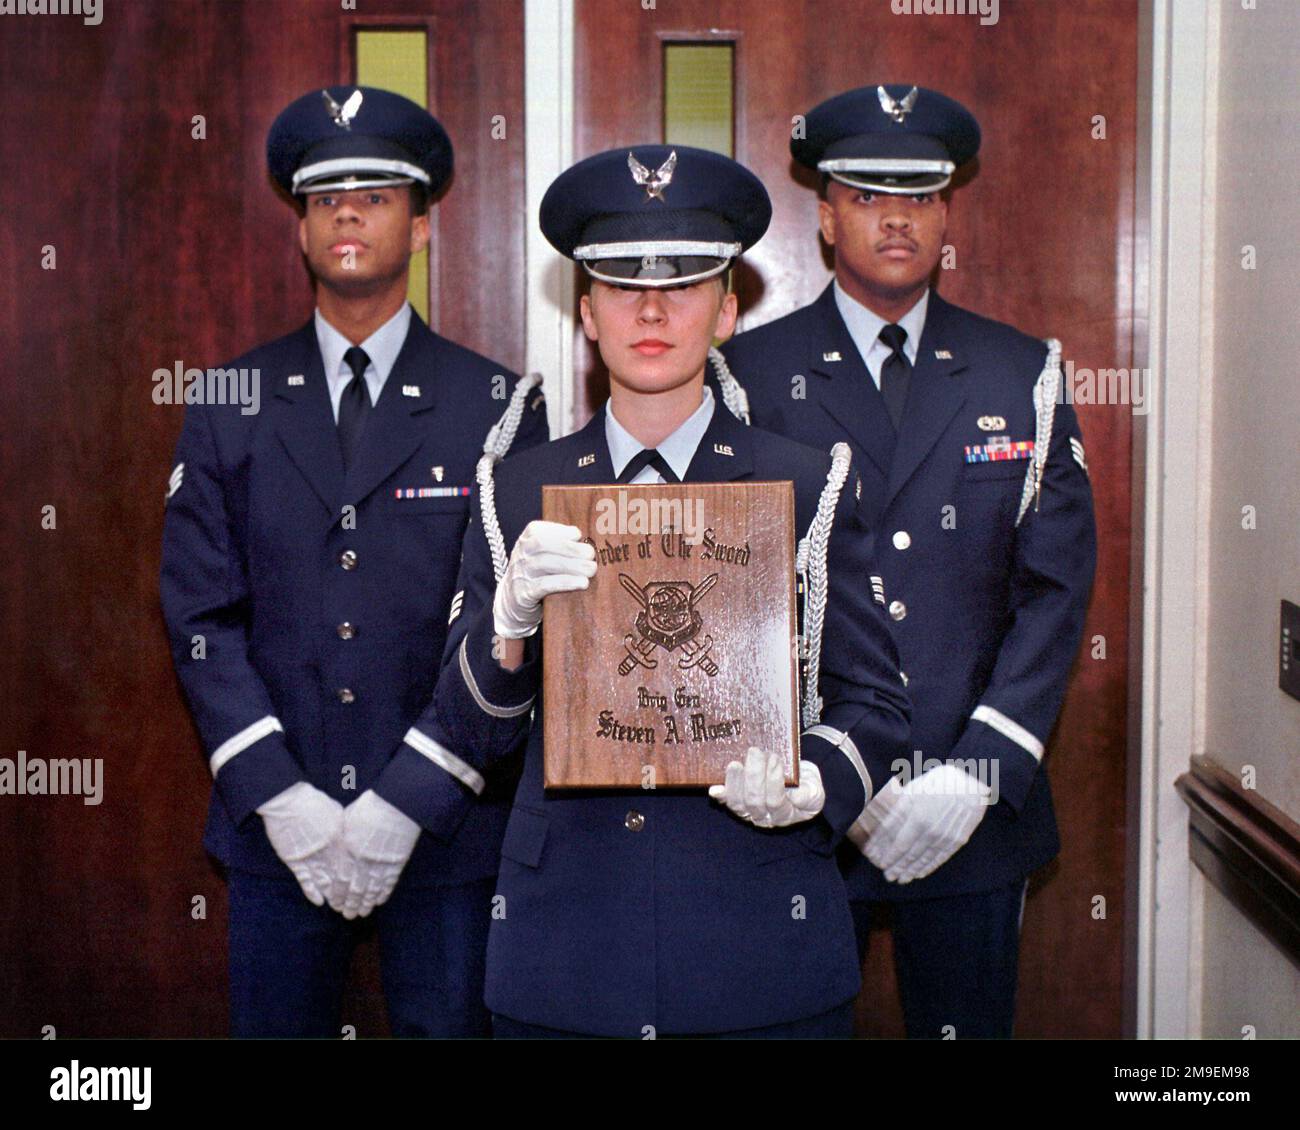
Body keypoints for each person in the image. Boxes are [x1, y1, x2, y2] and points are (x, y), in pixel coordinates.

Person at [417, 144, 911, 1038]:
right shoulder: (513, 487)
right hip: (567, 950)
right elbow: (466, 738)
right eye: (620, 284)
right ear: (588, 313)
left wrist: (815, 784)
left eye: (683, 283)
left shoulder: (806, 482)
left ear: (726, 310)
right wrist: (509, 630)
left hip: (759, 944)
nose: (652, 307)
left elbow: (876, 704)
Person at [159, 85, 547, 1037]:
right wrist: (280, 796)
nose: (346, 212)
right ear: (300, 227)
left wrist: (407, 797)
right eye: (325, 195)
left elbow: (502, 624)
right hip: (273, 828)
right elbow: (201, 616)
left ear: (421, 226)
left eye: (375, 194)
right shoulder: (230, 398)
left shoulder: (497, 404)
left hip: (445, 830)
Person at [718, 85, 1097, 1038]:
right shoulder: (748, 376)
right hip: (799, 804)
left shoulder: (1023, 372)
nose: (897, 217)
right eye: (868, 193)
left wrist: (978, 768)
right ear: (827, 214)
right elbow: (731, 595)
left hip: (973, 807)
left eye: (920, 196)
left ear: (946, 213)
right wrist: (826, 772)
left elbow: (1053, 590)